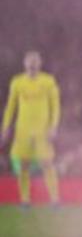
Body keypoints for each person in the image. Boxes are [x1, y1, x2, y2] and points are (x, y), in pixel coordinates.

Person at [1, 51, 61, 208]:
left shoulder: (48, 81)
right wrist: (5, 127)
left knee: (47, 163)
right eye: (30, 61)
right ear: (25, 64)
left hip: (42, 130)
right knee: (24, 164)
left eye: (35, 61)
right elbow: (10, 107)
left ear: (40, 63)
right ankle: (25, 200)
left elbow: (55, 106)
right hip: (23, 130)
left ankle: (55, 200)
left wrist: (53, 126)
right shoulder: (17, 82)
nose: (32, 64)